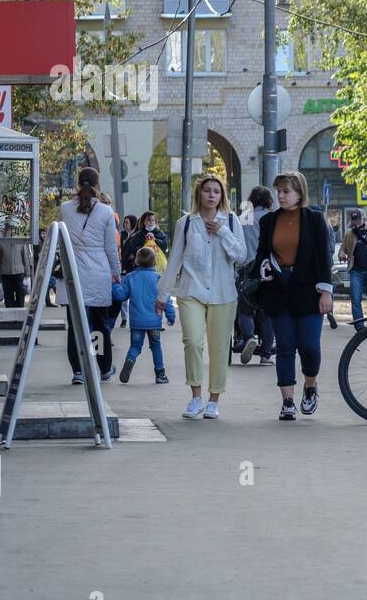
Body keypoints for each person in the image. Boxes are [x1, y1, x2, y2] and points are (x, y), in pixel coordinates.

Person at [157, 174, 247, 420]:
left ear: (222, 196)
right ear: (199, 194)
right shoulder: (186, 223)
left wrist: (223, 232)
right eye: (207, 191)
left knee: (219, 349)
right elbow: (175, 258)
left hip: (223, 293)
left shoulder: (231, 221)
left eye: (216, 192)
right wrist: (162, 294)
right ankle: (195, 397)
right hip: (191, 292)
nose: (211, 195)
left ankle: (213, 400)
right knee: (193, 342)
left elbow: (241, 255)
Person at [249, 170, 335, 421]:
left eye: (286, 191)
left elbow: (323, 257)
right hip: (278, 290)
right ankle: (287, 401)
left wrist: (326, 292)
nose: (281, 196)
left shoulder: (314, 219)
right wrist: (263, 266)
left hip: (309, 292)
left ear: (299, 193)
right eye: (278, 192)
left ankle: (310, 386)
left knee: (309, 345)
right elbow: (261, 253)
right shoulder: (269, 221)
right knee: (285, 346)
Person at [57, 166, 122, 384]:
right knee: (99, 325)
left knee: (75, 324)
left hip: (72, 271)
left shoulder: (65, 209)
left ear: (78, 184)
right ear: (97, 186)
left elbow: (60, 241)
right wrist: (116, 272)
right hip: (98, 273)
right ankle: (103, 368)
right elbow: (111, 247)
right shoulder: (105, 211)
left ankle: (78, 371)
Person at [114, 246, 176, 384]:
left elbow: (122, 295)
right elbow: (165, 300)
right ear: (155, 263)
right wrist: (171, 316)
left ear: (136, 261)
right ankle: (160, 374)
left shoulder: (130, 278)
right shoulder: (158, 278)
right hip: (154, 321)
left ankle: (130, 360)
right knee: (156, 346)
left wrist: (114, 286)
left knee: (135, 346)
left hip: (136, 321)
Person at [237, 186, 277, 364]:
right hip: (268, 266)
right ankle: (266, 354)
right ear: (268, 200)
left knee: (245, 307)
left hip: (247, 267)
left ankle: (248, 337)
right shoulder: (273, 218)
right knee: (268, 312)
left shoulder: (243, 219)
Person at [0, 240, 34, 309]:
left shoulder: (21, 243)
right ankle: (10, 314)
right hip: (5, 273)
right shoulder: (1, 243)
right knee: (8, 295)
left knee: (20, 294)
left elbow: (25, 259)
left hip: (19, 272)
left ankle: (19, 312)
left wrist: (28, 274)